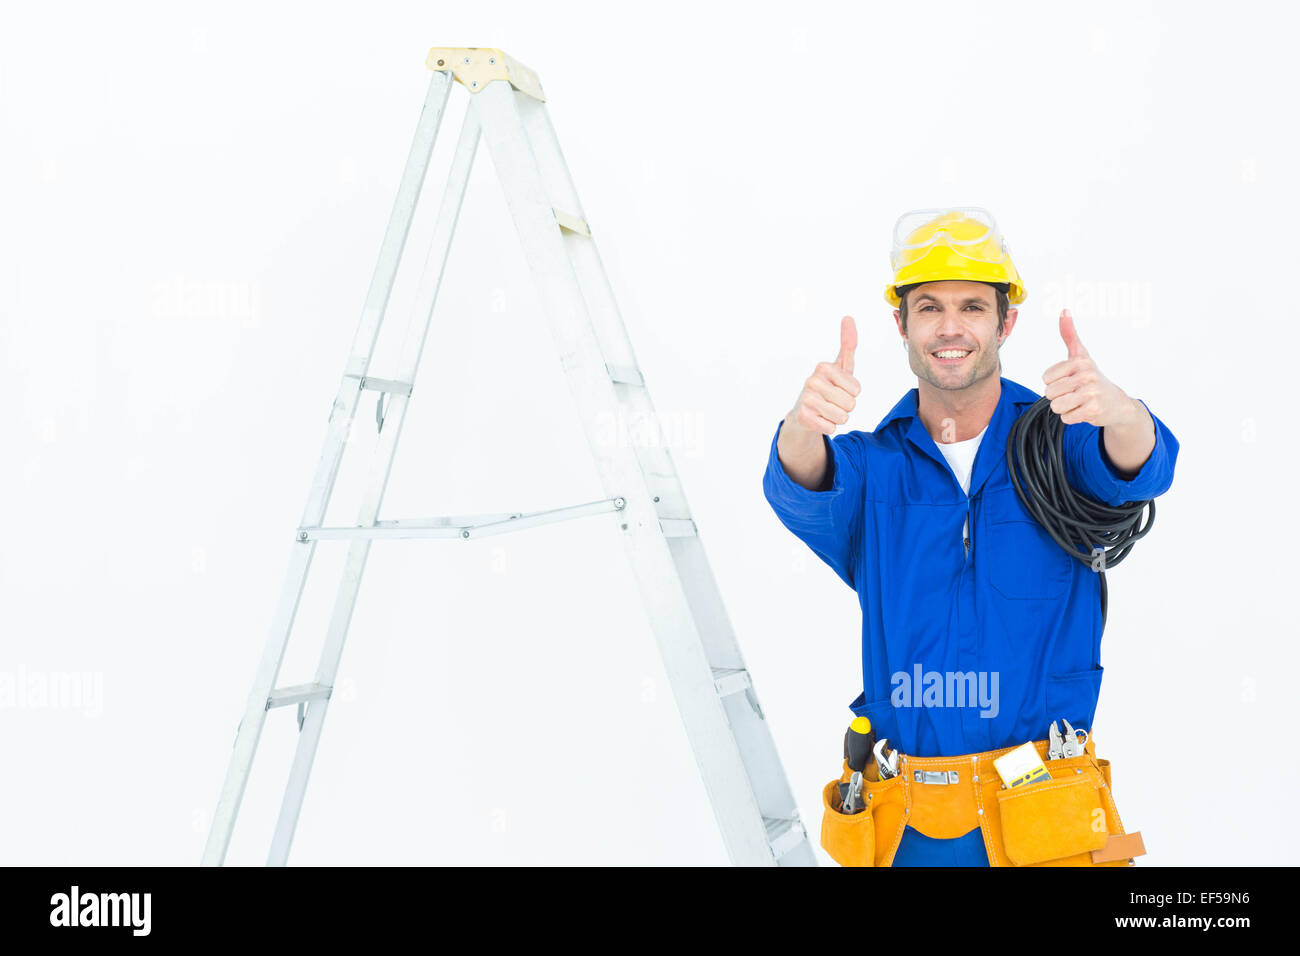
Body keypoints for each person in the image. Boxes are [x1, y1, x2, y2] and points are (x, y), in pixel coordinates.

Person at [762, 208, 1179, 866]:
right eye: (928, 307)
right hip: (908, 821)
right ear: (900, 323)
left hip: (1049, 805)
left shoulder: (1060, 447)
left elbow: (1143, 469)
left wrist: (1123, 412)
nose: (950, 327)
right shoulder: (872, 468)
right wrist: (800, 425)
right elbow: (800, 486)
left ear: (1005, 321)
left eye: (971, 307)